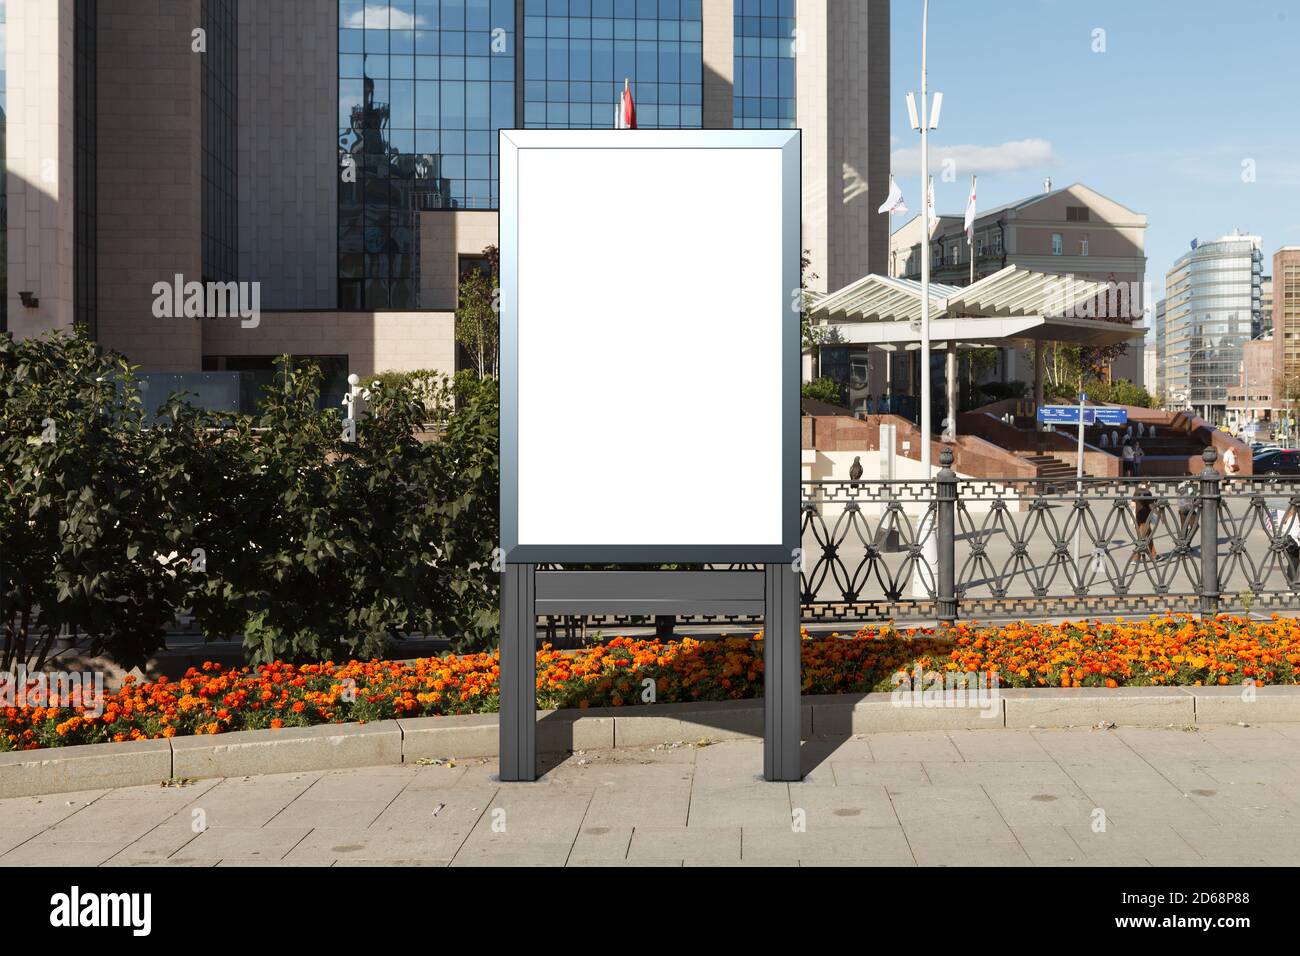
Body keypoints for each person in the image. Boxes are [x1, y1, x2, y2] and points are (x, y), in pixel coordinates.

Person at [1129, 482, 1158, 565]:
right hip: (1144, 519)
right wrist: (1160, 514)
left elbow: (1132, 504)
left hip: (1137, 517)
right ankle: (1135, 558)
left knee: (1148, 537)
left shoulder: (1137, 491)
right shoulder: (1147, 492)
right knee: (1142, 539)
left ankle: (1154, 555)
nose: (1151, 484)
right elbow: (1151, 505)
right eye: (1150, 482)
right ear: (1147, 483)